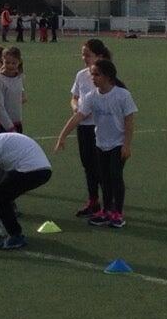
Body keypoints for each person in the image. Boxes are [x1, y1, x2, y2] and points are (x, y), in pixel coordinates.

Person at [56, 56, 137, 228]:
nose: (93, 78)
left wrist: (127, 145)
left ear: (108, 76)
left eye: (97, 75)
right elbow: (78, 116)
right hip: (101, 143)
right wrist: (62, 136)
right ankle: (106, 210)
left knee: (115, 176)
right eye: (92, 75)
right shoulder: (91, 96)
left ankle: (117, 213)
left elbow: (129, 121)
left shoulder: (122, 95)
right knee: (104, 178)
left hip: (118, 144)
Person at [65, 38, 113, 217]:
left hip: (100, 127)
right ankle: (93, 201)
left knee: (101, 166)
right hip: (83, 125)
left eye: (88, 55)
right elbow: (74, 97)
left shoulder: (106, 76)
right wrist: (75, 107)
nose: (84, 57)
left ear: (99, 56)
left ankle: (110, 203)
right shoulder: (81, 75)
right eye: (83, 54)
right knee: (88, 164)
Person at [0, 46, 26, 134]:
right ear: (3, 61)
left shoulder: (18, 77)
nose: (10, 66)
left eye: (14, 63)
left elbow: (20, 96)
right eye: (7, 62)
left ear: (19, 62)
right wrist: (11, 128)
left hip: (16, 122)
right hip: (1, 125)